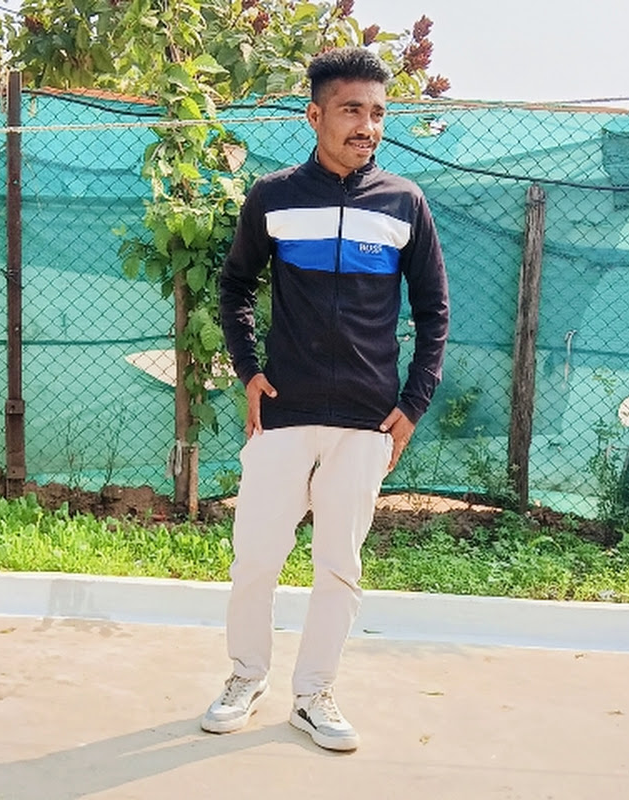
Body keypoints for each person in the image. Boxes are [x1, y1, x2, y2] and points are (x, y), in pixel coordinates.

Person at [201, 47, 449, 752]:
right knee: (256, 557)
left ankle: (313, 695)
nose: (367, 126)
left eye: (377, 113)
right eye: (351, 110)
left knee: (340, 566)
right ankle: (246, 677)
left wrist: (413, 403)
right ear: (314, 115)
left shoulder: (404, 202)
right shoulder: (273, 196)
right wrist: (248, 370)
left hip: (367, 419)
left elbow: (434, 310)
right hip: (284, 410)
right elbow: (235, 285)